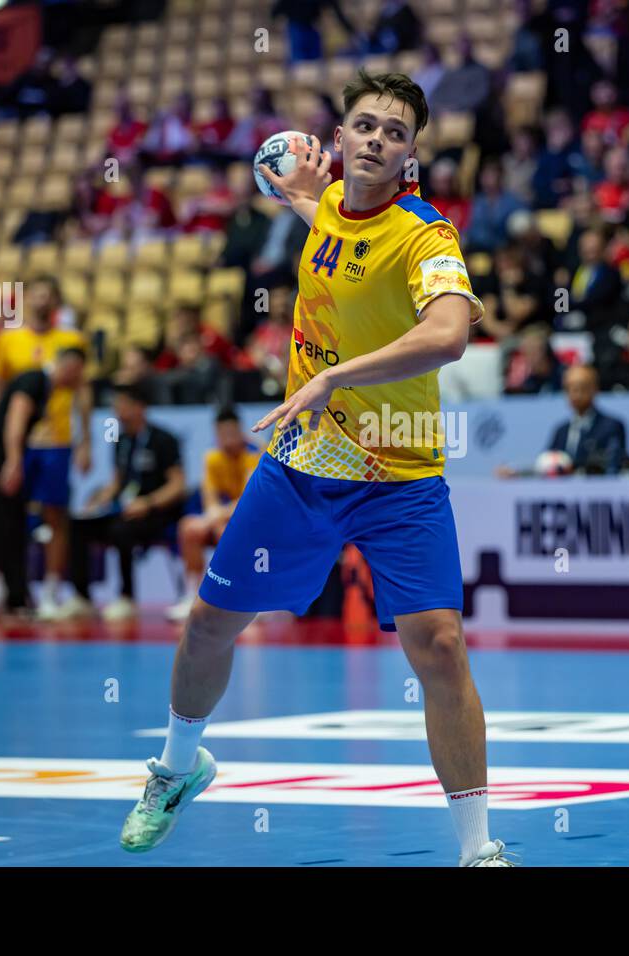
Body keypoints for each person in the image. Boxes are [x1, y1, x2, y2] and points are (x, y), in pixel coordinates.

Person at [118, 70, 515, 868]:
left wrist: (337, 374)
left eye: (393, 132)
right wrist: (282, 177)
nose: (375, 139)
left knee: (439, 646)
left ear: (411, 155)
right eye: (362, 125)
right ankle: (176, 765)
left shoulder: (427, 236)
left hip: (401, 470)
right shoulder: (329, 204)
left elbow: (449, 335)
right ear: (339, 141)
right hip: (303, 463)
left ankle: (478, 849)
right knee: (207, 626)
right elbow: (313, 210)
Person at [0, 347, 87, 625]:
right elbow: (16, 419)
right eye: (79, 373)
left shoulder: (45, 388)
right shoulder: (34, 381)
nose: (79, 381)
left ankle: (17, 601)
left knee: (15, 529)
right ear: (69, 367)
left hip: (9, 460)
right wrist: (13, 461)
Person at [0, 275, 92, 620]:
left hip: (57, 441)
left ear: (56, 301)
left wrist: (86, 440)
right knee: (9, 516)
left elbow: (82, 392)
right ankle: (10, 588)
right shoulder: (8, 340)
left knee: (55, 515)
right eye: (36, 294)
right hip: (22, 442)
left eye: (49, 294)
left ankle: (50, 590)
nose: (42, 300)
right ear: (26, 299)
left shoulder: (72, 340)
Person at [60, 384, 186, 622]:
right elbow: (117, 482)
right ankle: (82, 598)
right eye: (115, 406)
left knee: (121, 530)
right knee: (79, 524)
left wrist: (147, 503)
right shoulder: (120, 439)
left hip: (157, 513)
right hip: (126, 509)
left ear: (140, 408)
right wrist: (98, 501)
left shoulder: (163, 439)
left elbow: (177, 485)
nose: (116, 411)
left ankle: (127, 597)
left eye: (122, 405)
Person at [167, 407, 261, 622]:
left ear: (240, 431)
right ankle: (193, 595)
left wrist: (213, 518)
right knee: (188, 528)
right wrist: (210, 518)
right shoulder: (212, 457)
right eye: (222, 433)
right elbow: (209, 501)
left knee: (224, 531)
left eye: (231, 432)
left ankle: (242, 597)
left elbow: (247, 504)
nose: (227, 438)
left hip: (258, 521)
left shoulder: (255, 454)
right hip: (224, 518)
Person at [543, 364, 628, 474]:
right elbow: (547, 461)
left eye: (581, 387)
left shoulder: (611, 426)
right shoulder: (561, 430)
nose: (575, 393)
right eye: (569, 388)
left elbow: (613, 462)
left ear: (595, 389)